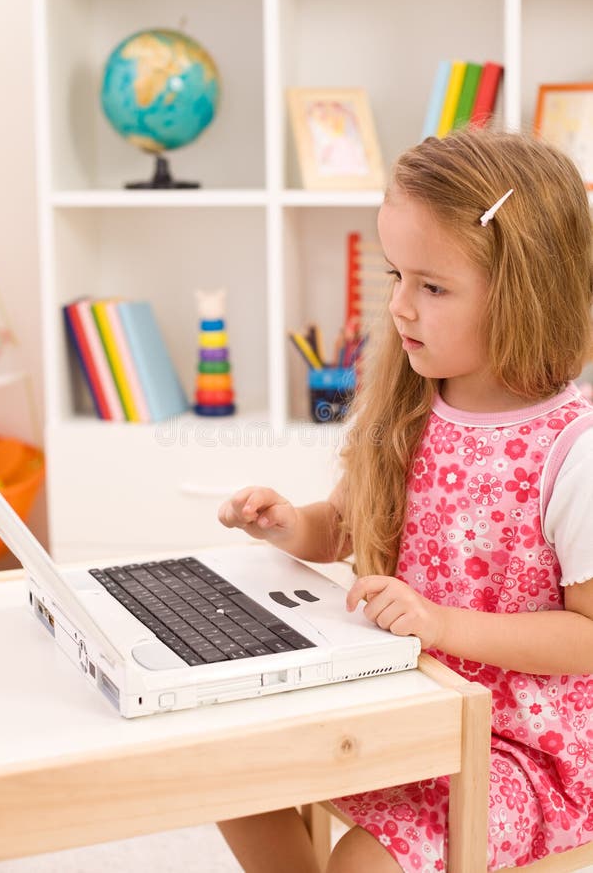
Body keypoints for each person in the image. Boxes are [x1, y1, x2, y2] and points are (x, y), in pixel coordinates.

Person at [216, 128, 593, 873]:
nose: (399, 308)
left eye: (432, 286)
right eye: (395, 276)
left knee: (368, 859)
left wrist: (440, 624)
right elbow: (344, 529)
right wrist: (290, 525)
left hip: (523, 750)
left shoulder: (572, 451)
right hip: (403, 700)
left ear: (525, 293)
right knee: (228, 762)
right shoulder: (412, 407)